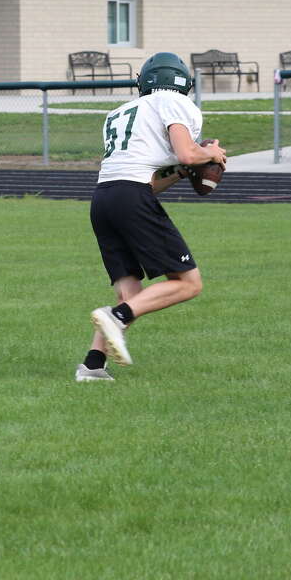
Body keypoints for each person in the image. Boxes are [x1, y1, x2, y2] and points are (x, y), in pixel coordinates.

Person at [77, 52, 227, 382]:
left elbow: (150, 182)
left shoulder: (119, 112)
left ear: (143, 81)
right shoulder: (176, 103)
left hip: (104, 198)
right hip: (130, 196)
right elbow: (189, 151)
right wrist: (211, 154)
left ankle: (92, 365)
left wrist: (183, 170)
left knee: (131, 293)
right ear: (183, 84)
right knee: (188, 283)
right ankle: (115, 317)